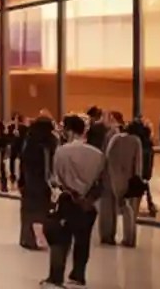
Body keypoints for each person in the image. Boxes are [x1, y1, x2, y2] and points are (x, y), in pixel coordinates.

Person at [43, 114, 105, 288]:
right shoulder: (98, 154)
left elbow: (55, 178)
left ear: (69, 131)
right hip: (87, 204)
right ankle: (78, 274)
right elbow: (101, 181)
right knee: (83, 240)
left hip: (66, 200)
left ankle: (56, 275)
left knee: (61, 239)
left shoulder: (61, 151)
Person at [100, 115, 143, 247]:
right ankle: (129, 238)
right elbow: (138, 163)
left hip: (109, 177)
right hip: (129, 178)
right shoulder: (135, 141)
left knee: (107, 208)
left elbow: (104, 158)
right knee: (128, 210)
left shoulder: (111, 138)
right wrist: (137, 177)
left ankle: (108, 236)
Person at [19, 116, 57, 250]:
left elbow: (23, 162)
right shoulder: (51, 141)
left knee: (29, 210)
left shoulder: (30, 140)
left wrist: (21, 180)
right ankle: (42, 238)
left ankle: (28, 238)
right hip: (44, 182)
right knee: (43, 210)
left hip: (30, 181)